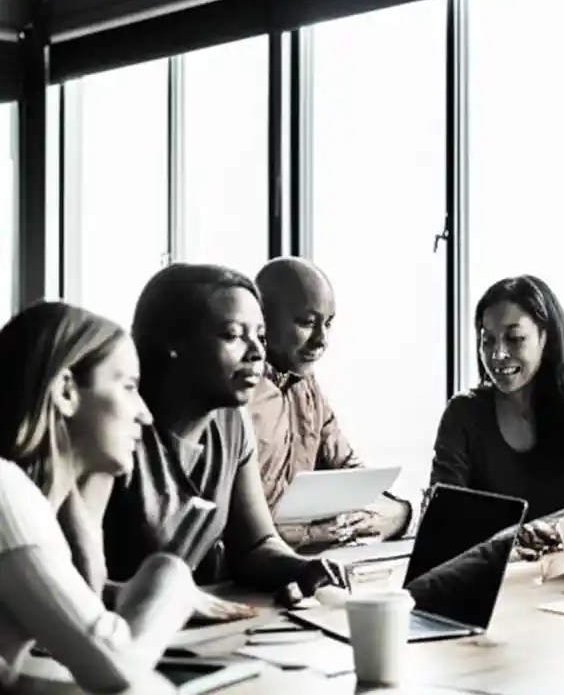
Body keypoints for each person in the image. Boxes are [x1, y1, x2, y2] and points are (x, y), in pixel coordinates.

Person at [102, 264, 340, 605]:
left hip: (196, 627)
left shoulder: (232, 420)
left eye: (259, 335)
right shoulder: (114, 429)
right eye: (232, 335)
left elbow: (255, 546)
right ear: (173, 340)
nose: (257, 353)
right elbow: (65, 579)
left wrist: (304, 569)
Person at [0, 302, 196, 692]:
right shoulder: (5, 491)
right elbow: (120, 675)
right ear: (67, 391)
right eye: (127, 387)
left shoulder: (35, 506)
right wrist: (169, 591)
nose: (146, 415)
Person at [430, 275, 564, 559]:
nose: (498, 354)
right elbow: (443, 516)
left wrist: (526, 532)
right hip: (487, 576)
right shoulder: (464, 413)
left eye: (515, 338)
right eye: (488, 340)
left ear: (546, 337)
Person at [250, 257, 412, 551]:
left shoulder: (307, 387)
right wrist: (317, 533)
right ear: (263, 320)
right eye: (307, 323)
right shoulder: (238, 397)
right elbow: (236, 526)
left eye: (328, 323)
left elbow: (354, 475)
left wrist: (400, 513)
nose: (322, 340)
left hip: (305, 558)